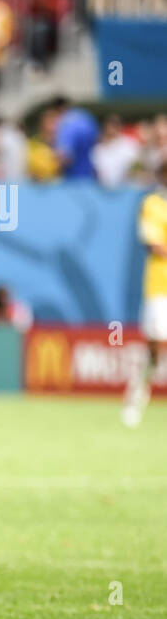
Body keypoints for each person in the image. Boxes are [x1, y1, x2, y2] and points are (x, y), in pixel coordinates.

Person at [122, 162, 167, 427]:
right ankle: (138, 391)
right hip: (160, 285)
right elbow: (153, 244)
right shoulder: (153, 204)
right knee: (156, 346)